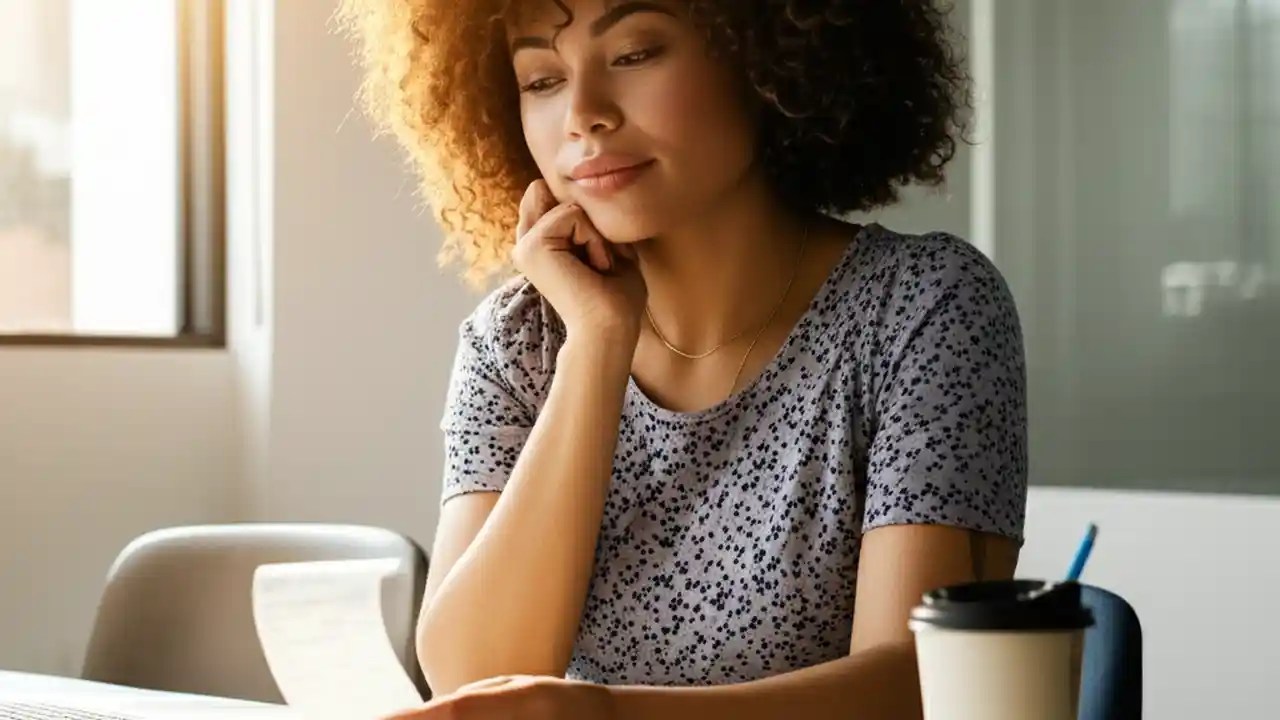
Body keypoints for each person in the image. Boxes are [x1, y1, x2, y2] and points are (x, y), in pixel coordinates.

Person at [339, 0, 1027, 717]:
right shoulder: (519, 341)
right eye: (540, 79)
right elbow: (472, 679)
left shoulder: (924, 307)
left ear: (765, 62)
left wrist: (609, 715)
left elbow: (920, 683)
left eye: (635, 54)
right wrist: (599, 343)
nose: (584, 114)